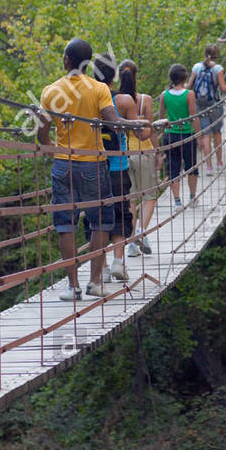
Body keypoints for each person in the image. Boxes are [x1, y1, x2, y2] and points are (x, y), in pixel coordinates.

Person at [36, 38, 146, 301]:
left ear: (66, 61)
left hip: (63, 164)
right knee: (100, 222)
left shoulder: (51, 91)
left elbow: (41, 133)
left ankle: (72, 287)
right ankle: (95, 282)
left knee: (65, 224)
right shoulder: (98, 89)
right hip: (93, 165)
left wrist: (54, 147)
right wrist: (139, 123)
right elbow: (115, 122)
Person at [94, 55, 145, 281]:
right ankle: (118, 261)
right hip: (118, 166)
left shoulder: (89, 98)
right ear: (115, 75)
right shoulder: (125, 100)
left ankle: (102, 269)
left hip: (94, 166)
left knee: (96, 216)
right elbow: (140, 134)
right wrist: (147, 124)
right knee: (121, 213)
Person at [120, 59, 159, 258]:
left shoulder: (115, 101)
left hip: (124, 155)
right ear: (136, 76)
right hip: (144, 152)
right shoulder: (146, 100)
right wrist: (158, 152)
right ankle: (141, 232)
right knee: (150, 196)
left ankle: (132, 245)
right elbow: (150, 129)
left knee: (131, 199)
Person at [189, 44, 226, 174]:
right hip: (214, 104)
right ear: (216, 56)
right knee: (217, 132)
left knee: (206, 134)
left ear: (204, 53)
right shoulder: (218, 69)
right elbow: (223, 88)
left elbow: (188, 86)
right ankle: (219, 163)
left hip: (199, 104)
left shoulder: (196, 67)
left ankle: (209, 167)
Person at [158, 63, 200, 207]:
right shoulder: (189, 94)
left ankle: (177, 201)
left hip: (170, 136)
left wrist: (164, 131)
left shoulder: (164, 95)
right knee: (192, 167)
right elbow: (194, 117)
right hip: (187, 134)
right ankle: (192, 197)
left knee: (173, 168)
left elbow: (161, 117)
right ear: (185, 78)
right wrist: (198, 137)